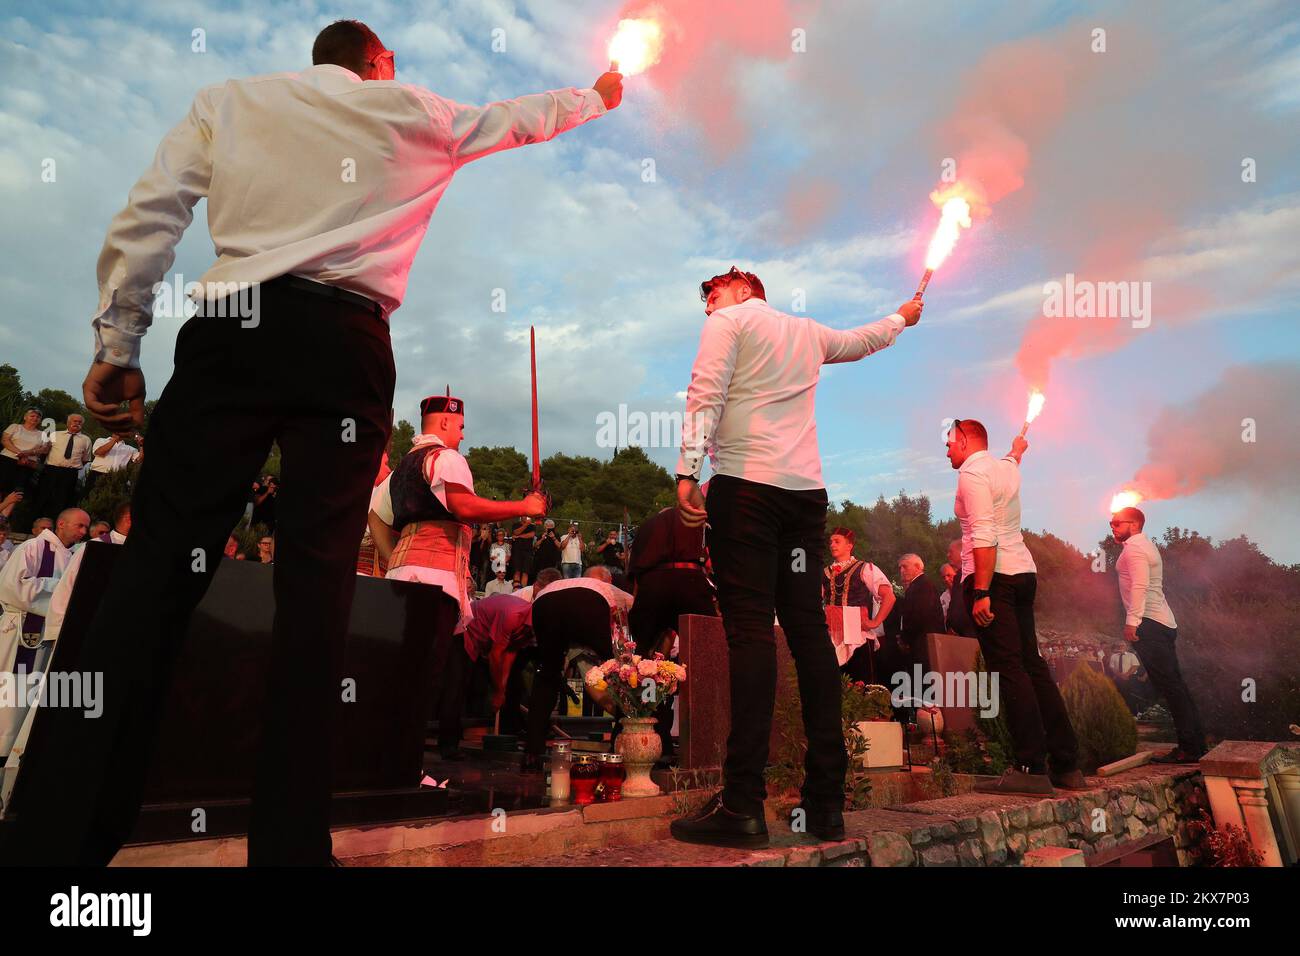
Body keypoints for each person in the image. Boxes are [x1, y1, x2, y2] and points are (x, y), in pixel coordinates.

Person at [1, 20, 621, 868]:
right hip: (346, 344)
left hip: (233, 328)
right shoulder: (411, 109)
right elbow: (518, 118)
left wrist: (119, 344)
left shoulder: (231, 101)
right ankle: (289, 849)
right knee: (315, 592)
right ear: (376, 63)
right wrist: (598, 95)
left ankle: (53, 845)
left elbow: (153, 211)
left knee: (149, 582)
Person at [670, 265, 922, 848]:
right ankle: (826, 802)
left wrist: (687, 473)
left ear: (740, 290)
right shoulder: (806, 331)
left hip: (746, 490)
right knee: (808, 631)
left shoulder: (730, 321)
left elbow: (704, 391)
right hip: (805, 498)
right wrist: (903, 319)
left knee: (752, 633)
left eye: (709, 291)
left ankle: (743, 804)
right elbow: (864, 342)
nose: (705, 302)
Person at [948, 419, 1084, 795]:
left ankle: (1029, 767)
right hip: (1024, 572)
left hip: (995, 577)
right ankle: (1067, 765)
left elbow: (984, 532)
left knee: (1009, 669)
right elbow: (1013, 460)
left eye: (949, 443)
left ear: (965, 440)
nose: (946, 450)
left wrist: (980, 592)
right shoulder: (1004, 468)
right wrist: (1018, 448)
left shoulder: (972, 475)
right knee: (1032, 664)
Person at [368, 394, 547, 637]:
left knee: (404, 661)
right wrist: (524, 506)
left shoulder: (398, 472)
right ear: (444, 423)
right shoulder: (447, 458)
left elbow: (376, 518)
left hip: (400, 576)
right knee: (428, 663)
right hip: (434, 582)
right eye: (460, 427)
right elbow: (464, 506)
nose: (462, 435)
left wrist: (395, 560)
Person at [1110, 506, 1207, 763]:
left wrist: (1132, 622)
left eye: (1118, 523)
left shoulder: (1135, 549)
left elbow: (1140, 585)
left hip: (1149, 622)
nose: (1113, 527)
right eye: (1111, 523)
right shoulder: (1141, 546)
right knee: (1176, 686)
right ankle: (1196, 745)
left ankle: (1189, 748)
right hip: (1161, 621)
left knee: (1171, 687)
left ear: (1134, 525)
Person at [523, 565, 634, 769]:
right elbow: (628, 628)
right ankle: (621, 746)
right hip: (587, 606)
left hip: (543, 603)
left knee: (547, 675)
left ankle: (531, 754)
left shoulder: (565, 583)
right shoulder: (620, 594)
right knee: (621, 672)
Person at [0, 507, 89, 757]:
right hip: (20, 635)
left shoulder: (74, 555)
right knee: (9, 698)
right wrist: (62, 591)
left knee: (30, 698)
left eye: (85, 527)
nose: (84, 532)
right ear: (61, 524)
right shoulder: (33, 548)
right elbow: (12, 586)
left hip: (47, 638)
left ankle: (14, 752)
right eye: (79, 526)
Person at [822, 527, 894, 682]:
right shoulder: (825, 573)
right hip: (832, 636)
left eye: (837, 541)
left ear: (849, 546)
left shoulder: (864, 568)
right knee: (834, 683)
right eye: (831, 542)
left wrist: (875, 621)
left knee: (860, 683)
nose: (832, 545)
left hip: (856, 635)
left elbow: (889, 596)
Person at [32, 415, 93, 522]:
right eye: (74, 421)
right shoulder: (55, 434)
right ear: (68, 422)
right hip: (50, 470)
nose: (77, 423)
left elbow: (85, 459)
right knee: (42, 497)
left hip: (70, 473)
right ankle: (33, 524)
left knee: (62, 501)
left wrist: (71, 465)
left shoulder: (86, 440)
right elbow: (44, 452)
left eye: (79, 422)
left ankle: (56, 526)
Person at [894, 553, 944, 672]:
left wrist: (905, 638)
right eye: (900, 567)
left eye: (905, 566)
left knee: (924, 683)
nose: (901, 570)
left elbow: (920, 616)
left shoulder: (923, 585)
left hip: (924, 645)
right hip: (920, 643)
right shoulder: (918, 585)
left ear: (917, 567)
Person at [0, 410, 50, 500]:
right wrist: (21, 454)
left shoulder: (43, 434)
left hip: (27, 464)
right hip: (7, 460)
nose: (35, 418)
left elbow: (45, 449)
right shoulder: (15, 427)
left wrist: (29, 453)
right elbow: (5, 440)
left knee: (16, 491)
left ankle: (5, 514)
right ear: (25, 417)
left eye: (38, 417)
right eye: (32, 416)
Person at [85, 432, 142, 500]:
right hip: (97, 475)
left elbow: (139, 460)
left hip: (116, 478)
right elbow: (99, 452)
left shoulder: (130, 448)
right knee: (91, 499)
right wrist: (114, 440)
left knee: (112, 502)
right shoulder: (101, 440)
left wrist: (141, 444)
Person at [943, 538, 977, 637]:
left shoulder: (973, 574)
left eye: (951, 552)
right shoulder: (958, 576)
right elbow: (954, 604)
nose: (948, 555)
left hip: (972, 635)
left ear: (963, 552)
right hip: (957, 635)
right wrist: (950, 626)